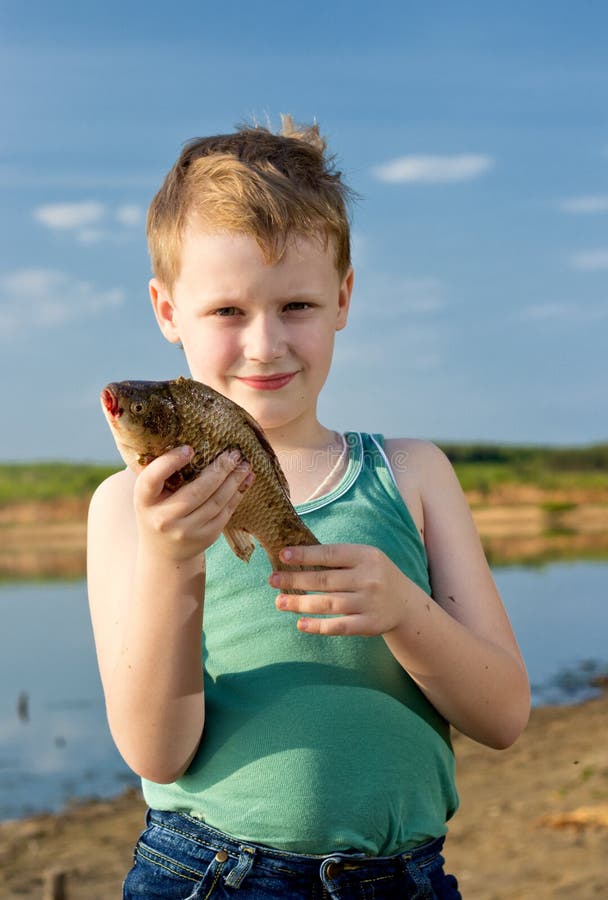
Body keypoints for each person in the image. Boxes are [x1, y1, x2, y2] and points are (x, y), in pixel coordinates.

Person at [87, 115, 530, 899]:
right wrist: (171, 562)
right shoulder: (127, 506)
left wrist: (402, 607)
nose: (265, 344)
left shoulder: (414, 473)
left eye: (296, 306)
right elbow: (158, 752)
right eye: (227, 311)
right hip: (211, 872)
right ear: (166, 310)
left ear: (343, 300)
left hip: (405, 875)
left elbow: (503, 716)